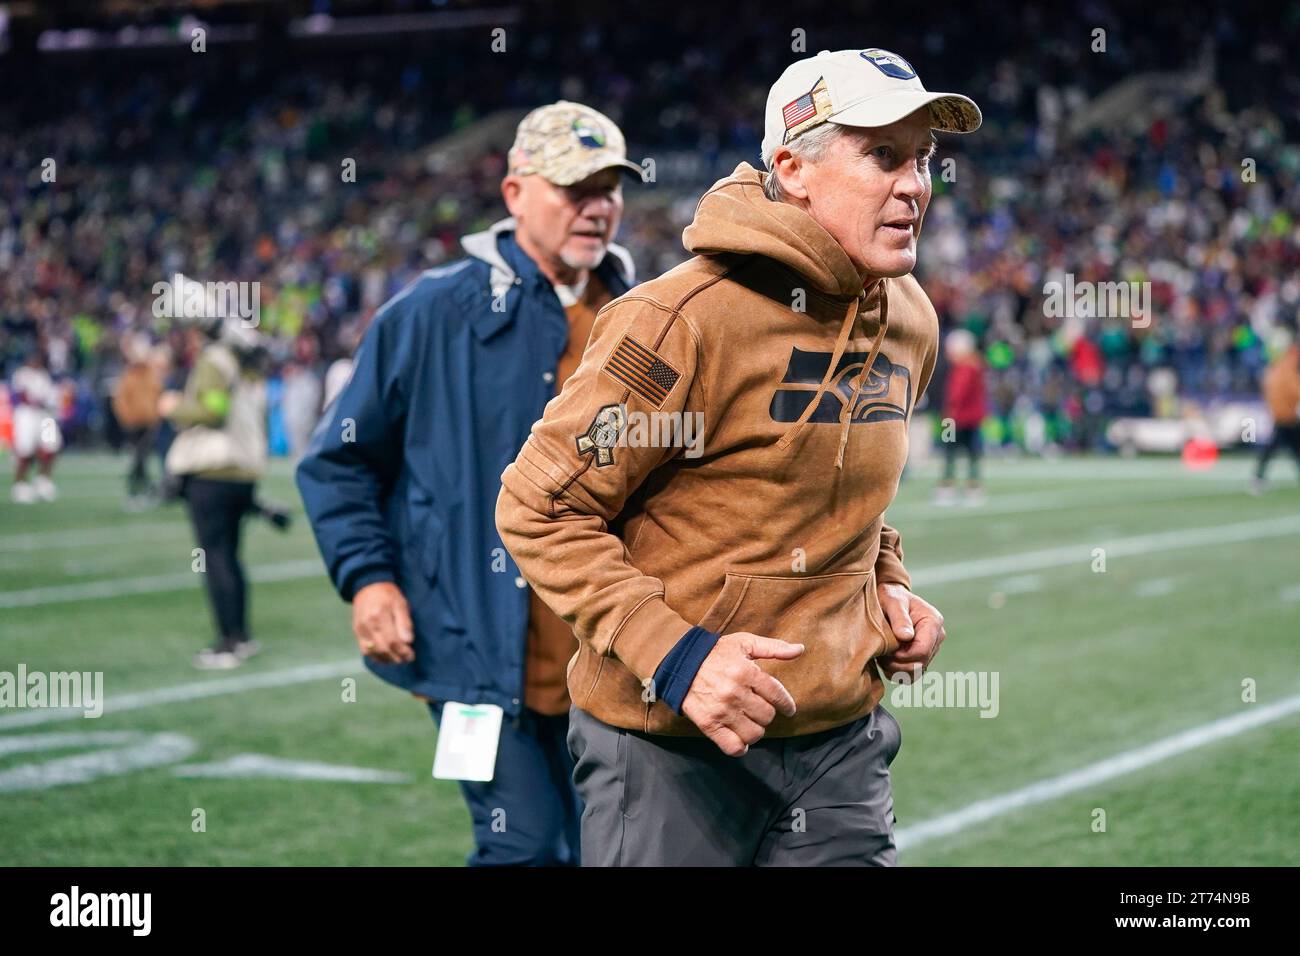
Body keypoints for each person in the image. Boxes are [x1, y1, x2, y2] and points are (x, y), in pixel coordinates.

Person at [496, 48, 979, 866]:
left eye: (923, 161)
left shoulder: (910, 319)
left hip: (837, 746)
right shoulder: (680, 320)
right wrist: (677, 656)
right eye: (883, 156)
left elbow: (851, 499)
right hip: (667, 747)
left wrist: (889, 590)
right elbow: (541, 507)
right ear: (792, 168)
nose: (915, 186)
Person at [297, 102, 643, 866]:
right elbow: (340, 459)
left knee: (611, 854)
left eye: (610, 187)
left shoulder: (647, 317)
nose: (597, 206)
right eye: (574, 186)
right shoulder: (431, 311)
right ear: (516, 194)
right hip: (471, 654)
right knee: (521, 846)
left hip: (613, 650)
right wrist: (370, 580)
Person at [162, 312, 274, 669]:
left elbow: (214, 411)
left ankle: (229, 641)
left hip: (213, 472)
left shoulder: (215, 362)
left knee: (216, 557)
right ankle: (241, 635)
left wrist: (173, 407)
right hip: (244, 472)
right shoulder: (249, 369)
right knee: (231, 556)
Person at [112, 334, 166, 507]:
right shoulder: (129, 376)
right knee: (138, 459)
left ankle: (140, 491)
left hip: (149, 423)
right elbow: (120, 401)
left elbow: (159, 396)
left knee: (141, 459)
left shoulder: (152, 376)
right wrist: (127, 418)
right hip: (134, 424)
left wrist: (156, 415)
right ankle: (137, 491)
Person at [935, 328, 987, 505]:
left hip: (956, 418)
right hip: (971, 417)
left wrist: (948, 413)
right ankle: (973, 487)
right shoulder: (974, 365)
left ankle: (948, 487)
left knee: (950, 453)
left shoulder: (965, 368)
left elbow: (957, 394)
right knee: (972, 453)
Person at [9, 347, 63, 504]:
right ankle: (20, 485)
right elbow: (24, 396)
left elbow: (51, 396)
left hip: (45, 416)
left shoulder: (44, 375)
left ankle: (43, 481)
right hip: (27, 415)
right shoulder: (22, 374)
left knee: (51, 448)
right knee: (25, 450)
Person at [1253, 336, 1300, 493]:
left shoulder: (1275, 369)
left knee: (1287, 448)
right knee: (1281, 448)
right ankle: (1258, 477)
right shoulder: (1285, 368)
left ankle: (1258, 477)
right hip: (1286, 416)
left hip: (1283, 415)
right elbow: (1294, 389)